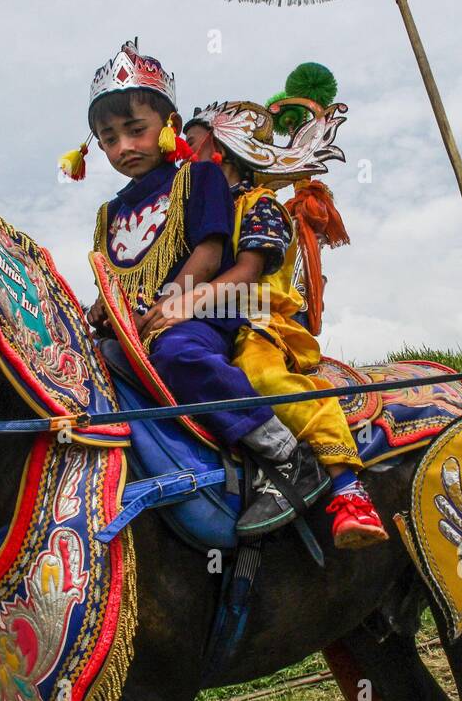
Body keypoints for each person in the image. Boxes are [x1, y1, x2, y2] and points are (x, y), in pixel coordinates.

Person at [63, 40, 329, 536]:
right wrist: (103, 308)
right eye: (109, 138)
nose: (124, 147)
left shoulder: (198, 178)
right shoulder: (108, 213)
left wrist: (172, 305)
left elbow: (208, 252)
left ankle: (286, 455)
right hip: (135, 327)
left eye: (136, 130)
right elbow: (114, 278)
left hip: (200, 316)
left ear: (168, 124)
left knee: (177, 354)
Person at [183, 88, 387, 549]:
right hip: (205, 324)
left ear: (222, 154)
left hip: (257, 320)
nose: (180, 159)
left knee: (260, 376)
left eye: (189, 147)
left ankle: (342, 482)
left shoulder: (260, 205)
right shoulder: (187, 215)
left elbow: (250, 275)